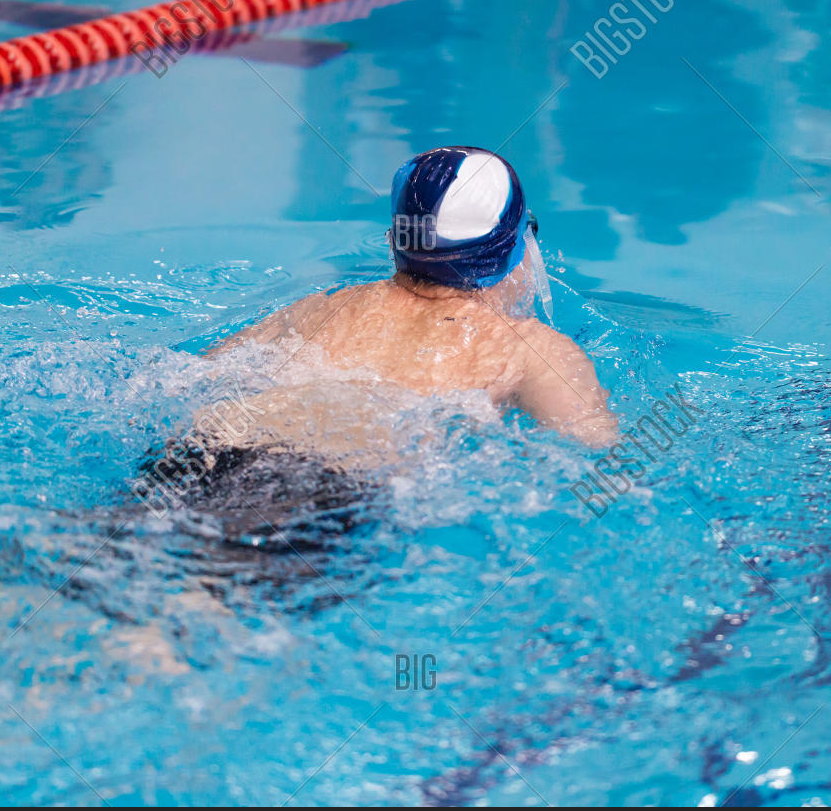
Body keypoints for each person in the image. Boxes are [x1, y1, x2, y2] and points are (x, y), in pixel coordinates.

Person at [134, 147, 617, 535]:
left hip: (205, 447)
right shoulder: (530, 346)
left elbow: (191, 374)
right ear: (514, 250)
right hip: (319, 485)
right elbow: (597, 453)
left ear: (395, 242)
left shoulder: (323, 306)